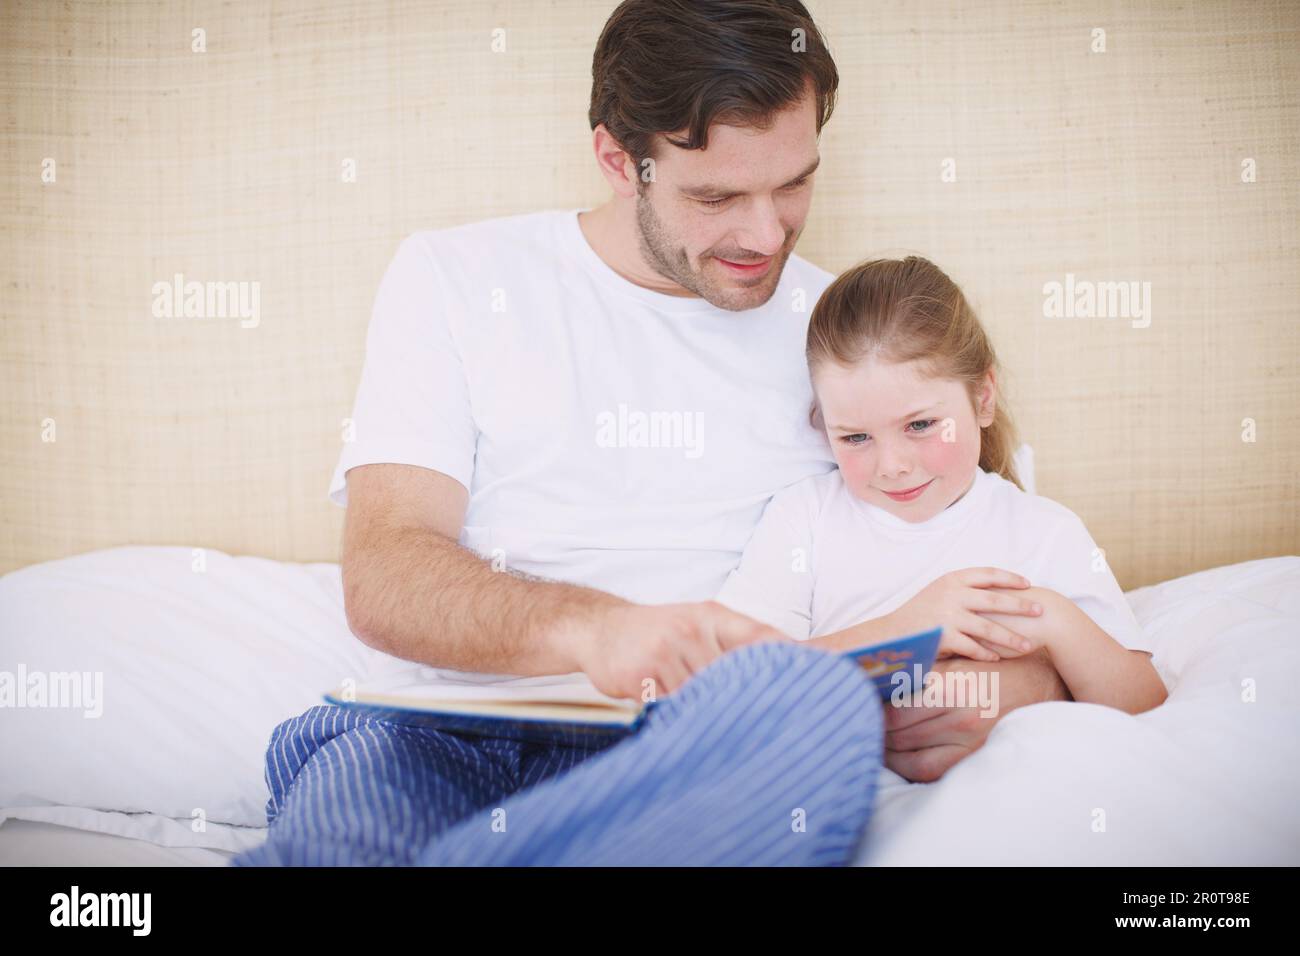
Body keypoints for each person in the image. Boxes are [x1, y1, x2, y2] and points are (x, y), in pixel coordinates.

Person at [232, 0, 1061, 867]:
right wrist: (600, 632)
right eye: (716, 195)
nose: (765, 233)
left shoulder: (849, 338)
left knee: (813, 711)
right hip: (442, 736)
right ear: (617, 161)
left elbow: (991, 549)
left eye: (794, 184)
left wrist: (1024, 686)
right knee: (348, 816)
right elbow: (387, 574)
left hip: (709, 745)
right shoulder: (456, 278)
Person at [716, 256, 1168, 714]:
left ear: (983, 397)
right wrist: (903, 629)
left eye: (921, 425)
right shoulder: (805, 519)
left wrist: (1054, 621)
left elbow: (1144, 704)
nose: (891, 466)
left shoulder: (1045, 532)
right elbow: (735, 684)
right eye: (855, 437)